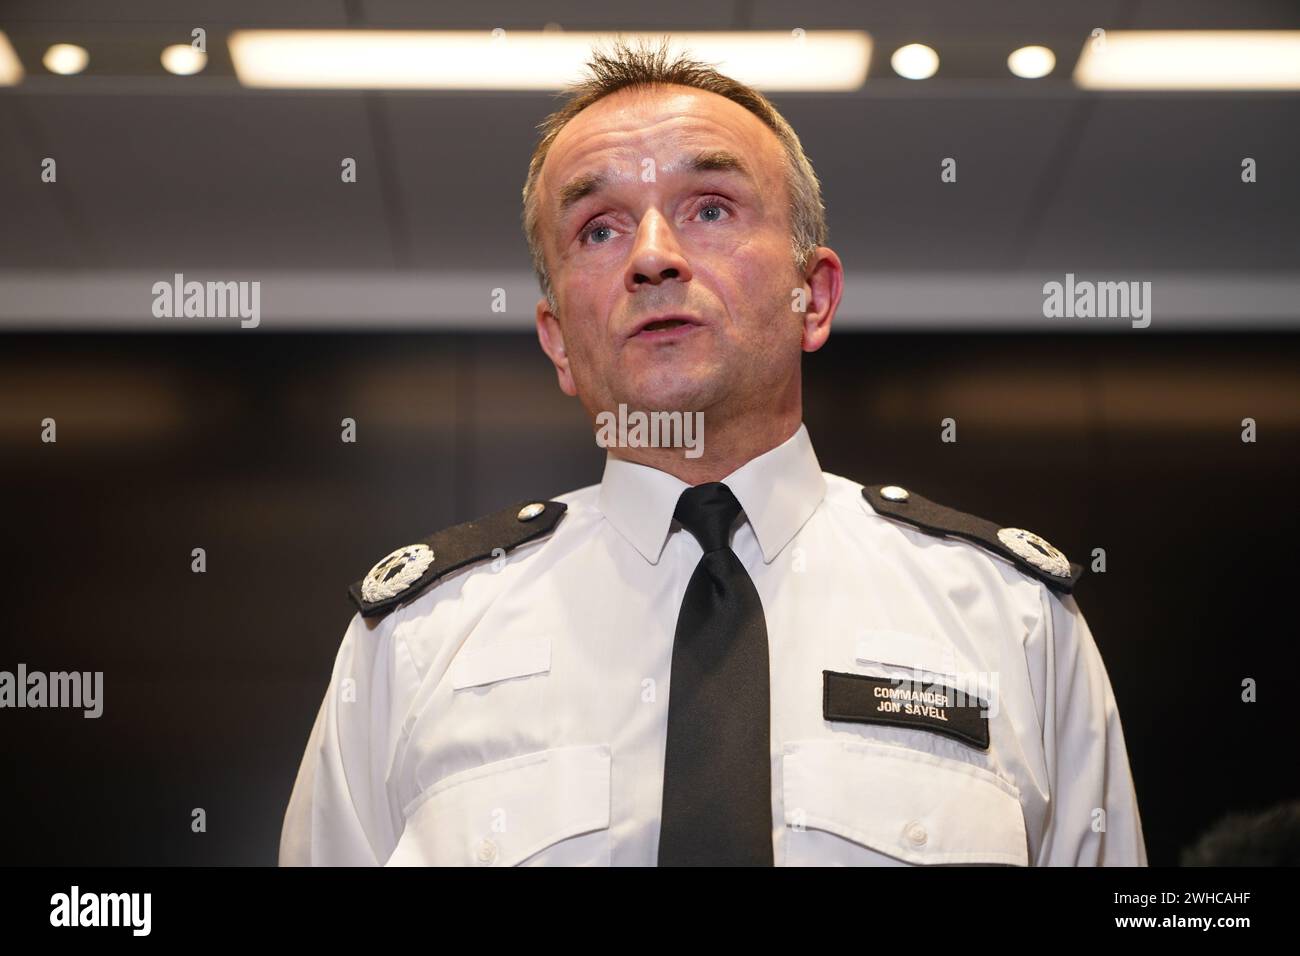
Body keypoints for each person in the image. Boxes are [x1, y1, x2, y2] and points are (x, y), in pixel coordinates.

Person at [278, 37, 1146, 867]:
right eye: (599, 229)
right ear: (558, 343)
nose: (654, 257)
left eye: (710, 209)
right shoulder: (415, 644)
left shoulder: (1014, 622)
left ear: (814, 296)